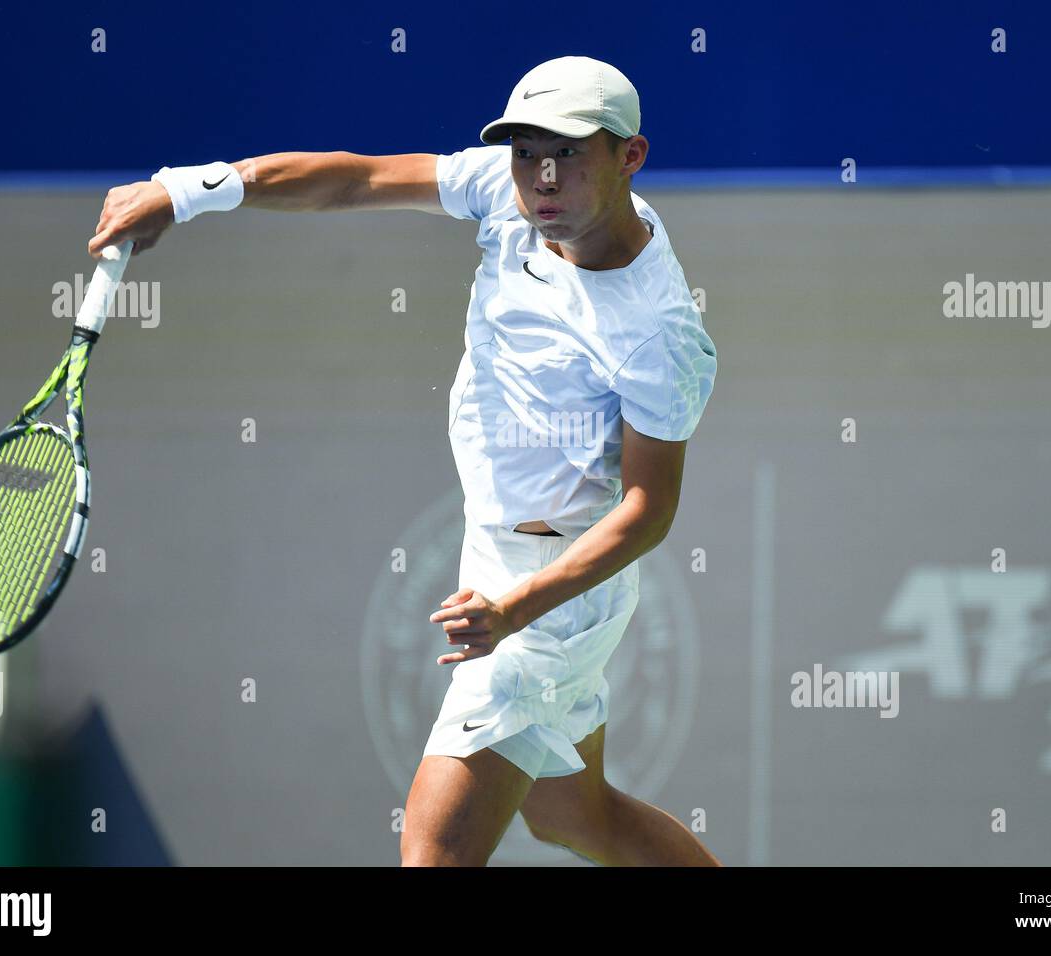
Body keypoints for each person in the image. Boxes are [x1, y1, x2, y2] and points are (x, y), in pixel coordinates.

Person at [88, 55, 719, 867]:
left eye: (568, 153)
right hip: (504, 561)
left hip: (551, 600)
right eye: (527, 152)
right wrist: (187, 188)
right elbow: (357, 180)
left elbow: (648, 511)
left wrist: (518, 608)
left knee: (432, 855)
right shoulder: (507, 190)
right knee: (575, 815)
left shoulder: (657, 330)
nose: (542, 177)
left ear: (630, 155)